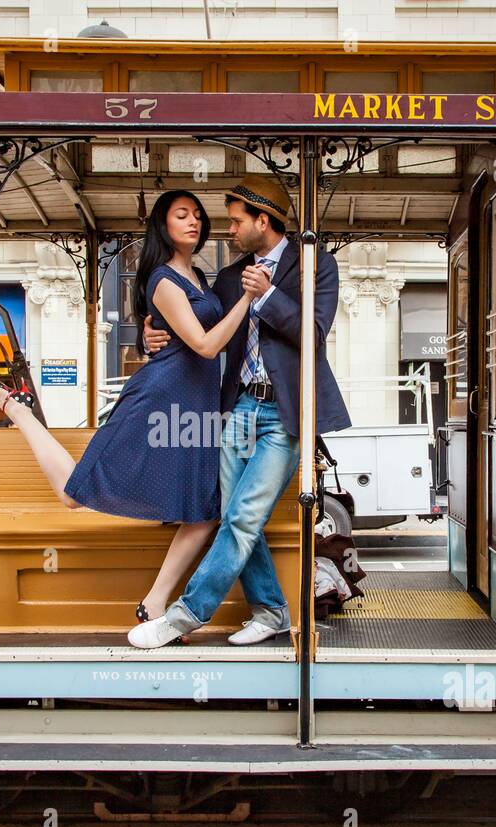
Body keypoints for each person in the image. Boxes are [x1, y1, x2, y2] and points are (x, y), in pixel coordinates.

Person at [0, 190, 254, 624]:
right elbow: (206, 346)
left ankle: (153, 604)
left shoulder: (199, 278)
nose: (194, 222)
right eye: (181, 215)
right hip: (159, 401)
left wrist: (151, 341)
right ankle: (19, 411)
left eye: (198, 216)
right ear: (162, 226)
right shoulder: (164, 280)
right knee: (75, 495)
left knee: (205, 511)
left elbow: (182, 336)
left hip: (194, 409)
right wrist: (247, 298)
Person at [128, 174, 352, 649]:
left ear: (263, 220)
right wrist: (147, 340)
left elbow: (313, 334)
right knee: (235, 514)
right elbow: (194, 326)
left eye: (235, 222)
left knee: (244, 517)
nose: (227, 231)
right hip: (236, 408)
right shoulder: (229, 278)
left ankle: (184, 615)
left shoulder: (315, 265)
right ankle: (271, 611)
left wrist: (268, 296)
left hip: (284, 415)